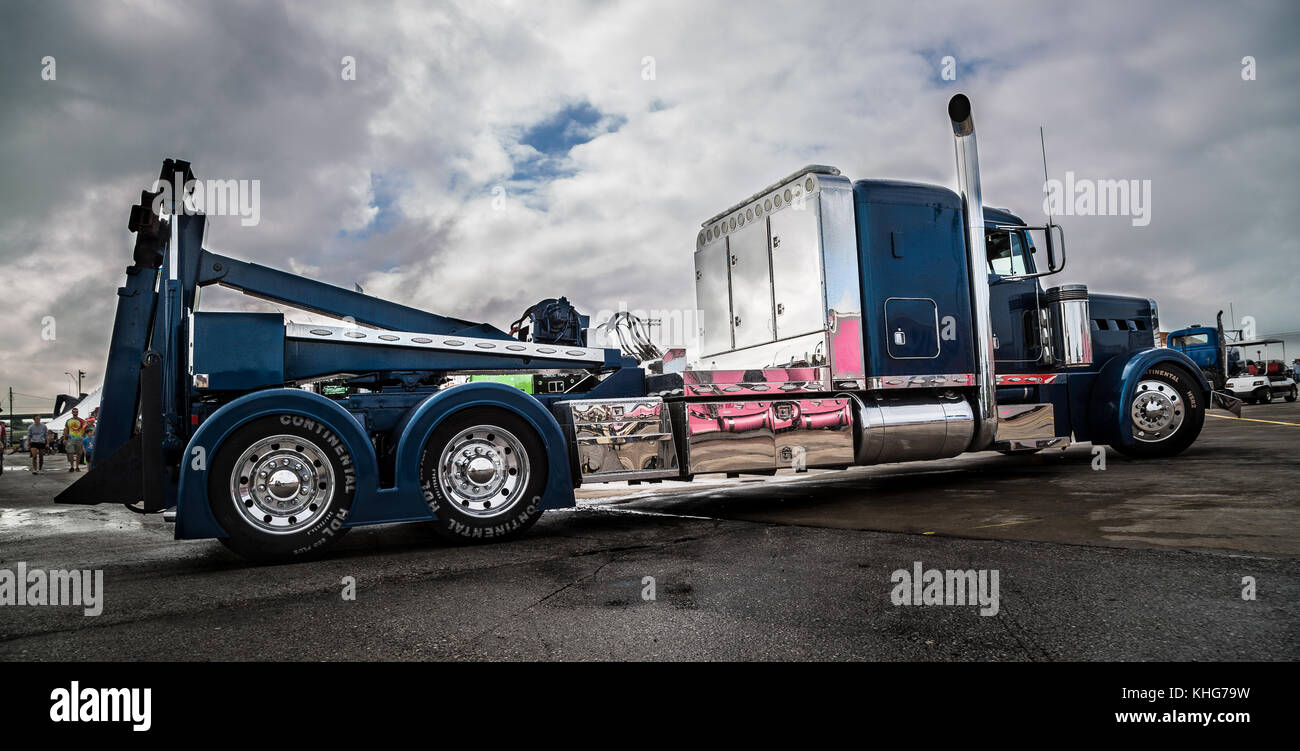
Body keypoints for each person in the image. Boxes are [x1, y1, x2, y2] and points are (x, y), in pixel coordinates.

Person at [64, 407, 87, 472]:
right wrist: (65, 438)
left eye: (76, 412)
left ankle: (77, 467)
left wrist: (83, 436)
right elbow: (66, 429)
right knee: (70, 453)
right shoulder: (68, 421)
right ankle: (71, 467)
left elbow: (85, 429)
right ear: (72, 413)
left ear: (78, 412)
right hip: (71, 439)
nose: (75, 413)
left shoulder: (82, 420)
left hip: (79, 439)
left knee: (78, 453)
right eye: (74, 412)